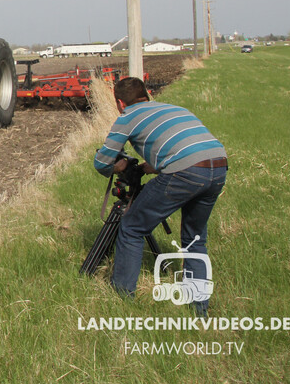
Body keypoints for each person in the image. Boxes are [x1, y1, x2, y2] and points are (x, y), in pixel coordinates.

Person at [93, 77, 227, 315]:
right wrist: (149, 167)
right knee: (195, 239)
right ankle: (200, 310)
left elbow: (101, 162)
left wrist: (119, 167)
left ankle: (122, 298)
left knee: (133, 227)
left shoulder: (127, 116)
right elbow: (182, 147)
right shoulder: (174, 108)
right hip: (217, 164)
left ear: (120, 103)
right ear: (147, 95)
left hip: (187, 171)